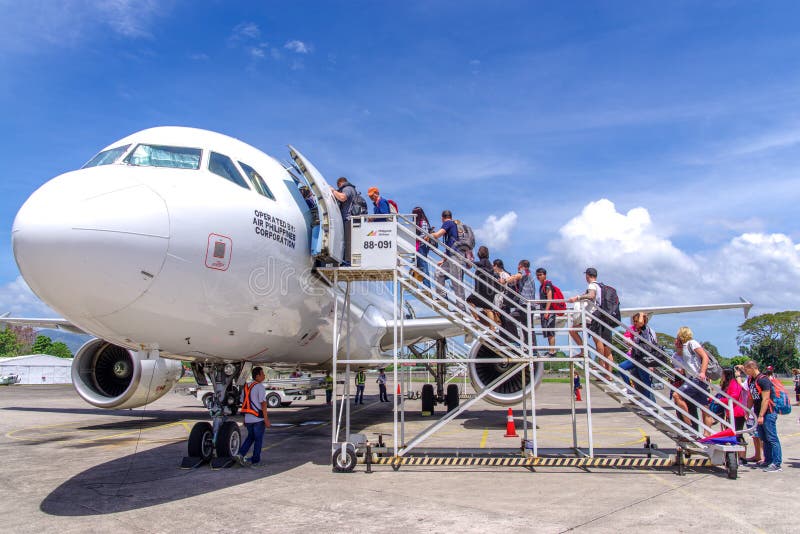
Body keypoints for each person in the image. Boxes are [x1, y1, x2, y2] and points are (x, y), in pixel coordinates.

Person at [567, 268, 613, 372]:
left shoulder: (592, 285)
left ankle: (594, 359)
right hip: (602, 316)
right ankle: (607, 373)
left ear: (588, 275)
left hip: (593, 317)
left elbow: (591, 295)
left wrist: (577, 297)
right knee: (605, 346)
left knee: (595, 340)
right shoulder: (601, 286)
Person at [743, 360, 782, 472]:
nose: (746, 372)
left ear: (752, 367)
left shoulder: (763, 380)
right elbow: (751, 397)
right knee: (763, 438)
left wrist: (761, 415)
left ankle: (777, 463)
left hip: (768, 413)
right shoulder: (751, 380)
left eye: (746, 370)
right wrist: (747, 410)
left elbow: (766, 399)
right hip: (758, 413)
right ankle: (768, 460)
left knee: (772, 438)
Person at [673, 327, 714, 434]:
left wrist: (702, 372)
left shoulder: (692, 343)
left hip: (696, 378)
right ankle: (706, 433)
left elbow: (705, 357)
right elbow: (691, 363)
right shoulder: (685, 346)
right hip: (693, 378)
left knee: (677, 395)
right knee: (704, 407)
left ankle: (688, 424)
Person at [235, 366, 271, 467]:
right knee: (258, 440)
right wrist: (266, 419)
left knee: (251, 437)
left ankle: (240, 454)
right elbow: (263, 404)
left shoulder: (246, 386)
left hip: (248, 418)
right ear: (258, 376)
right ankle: (255, 461)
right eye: (262, 374)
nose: (264, 376)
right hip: (258, 419)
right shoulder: (260, 387)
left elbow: (244, 403)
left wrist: (244, 418)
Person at [429, 210, 465, 308]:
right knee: (439, 273)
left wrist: (428, 235)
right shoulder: (453, 225)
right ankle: (442, 297)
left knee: (456, 283)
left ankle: (461, 308)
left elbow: (437, 235)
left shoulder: (448, 223)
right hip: (451, 258)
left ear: (442, 218)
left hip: (455, 258)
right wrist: (444, 260)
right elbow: (451, 246)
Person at [499, 260, 538, 350]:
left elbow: (518, 276)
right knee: (528, 328)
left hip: (525, 305)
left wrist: (505, 280)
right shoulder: (529, 275)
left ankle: (515, 340)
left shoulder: (525, 271)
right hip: (530, 305)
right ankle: (532, 349)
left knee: (509, 318)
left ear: (520, 266)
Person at [620, 312, 658, 401]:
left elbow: (641, 323)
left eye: (636, 321)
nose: (635, 323)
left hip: (644, 358)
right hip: (637, 358)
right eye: (634, 321)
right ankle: (630, 388)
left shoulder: (646, 330)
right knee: (621, 367)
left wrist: (641, 314)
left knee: (645, 381)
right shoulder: (636, 331)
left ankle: (649, 402)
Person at [465, 246, 499, 329]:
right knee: (488, 308)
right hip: (489, 290)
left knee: (469, 301)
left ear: (479, 254)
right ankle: (492, 328)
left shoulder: (484, 261)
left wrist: (469, 259)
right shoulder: (489, 264)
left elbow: (474, 264)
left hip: (482, 290)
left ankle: (477, 319)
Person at [719, 367, 748, 464]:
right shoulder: (727, 384)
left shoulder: (734, 384)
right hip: (730, 412)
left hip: (737, 412)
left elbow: (733, 398)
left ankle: (742, 457)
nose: (721, 376)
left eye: (722, 374)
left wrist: (719, 401)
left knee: (738, 434)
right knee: (732, 434)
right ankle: (735, 456)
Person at [330, 176, 358, 265]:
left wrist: (333, 191)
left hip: (348, 218)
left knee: (348, 242)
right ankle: (346, 261)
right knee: (347, 241)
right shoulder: (350, 188)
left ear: (340, 183)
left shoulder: (347, 188)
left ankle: (348, 262)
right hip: (348, 219)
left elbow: (342, 197)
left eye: (338, 186)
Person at [535, 268, 557, 355]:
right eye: (537, 275)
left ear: (545, 275)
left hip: (549, 311)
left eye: (540, 275)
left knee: (550, 332)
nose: (538, 277)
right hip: (545, 310)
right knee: (548, 332)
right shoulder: (543, 285)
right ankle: (551, 351)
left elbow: (549, 298)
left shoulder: (547, 284)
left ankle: (552, 351)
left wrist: (547, 311)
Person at [411, 207, 432, 289]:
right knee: (418, 265)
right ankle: (415, 282)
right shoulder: (424, 221)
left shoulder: (421, 222)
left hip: (421, 246)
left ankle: (427, 286)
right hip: (422, 246)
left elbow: (423, 235)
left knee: (423, 266)